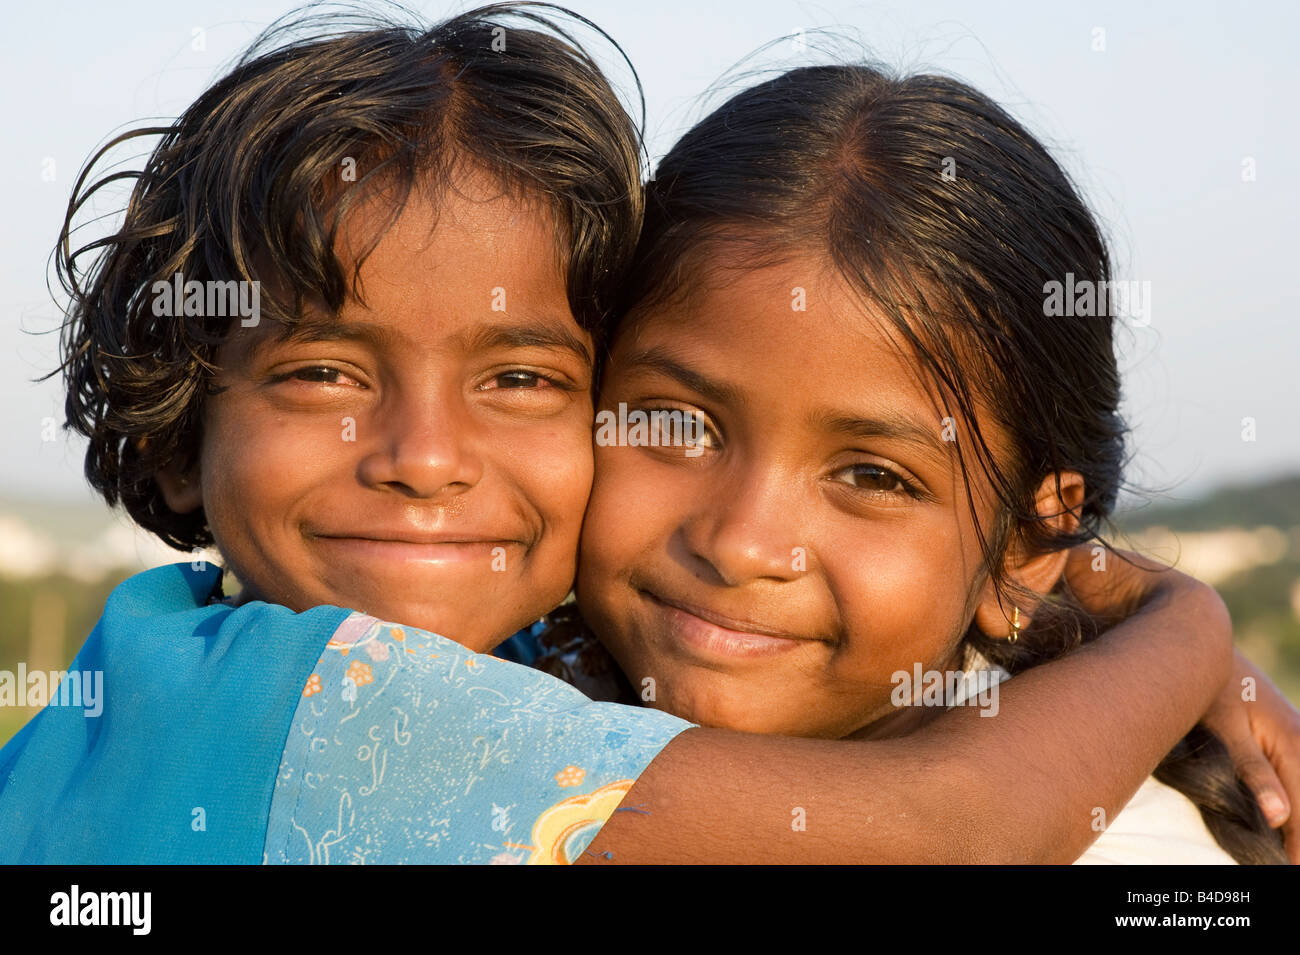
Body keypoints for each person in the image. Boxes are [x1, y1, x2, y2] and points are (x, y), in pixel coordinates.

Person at [0, 4, 1288, 864]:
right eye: (325, 370)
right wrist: (1184, 635)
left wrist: (1093, 587)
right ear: (178, 423)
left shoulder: (259, 642)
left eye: (516, 382)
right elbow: (955, 829)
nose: (425, 460)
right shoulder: (336, 699)